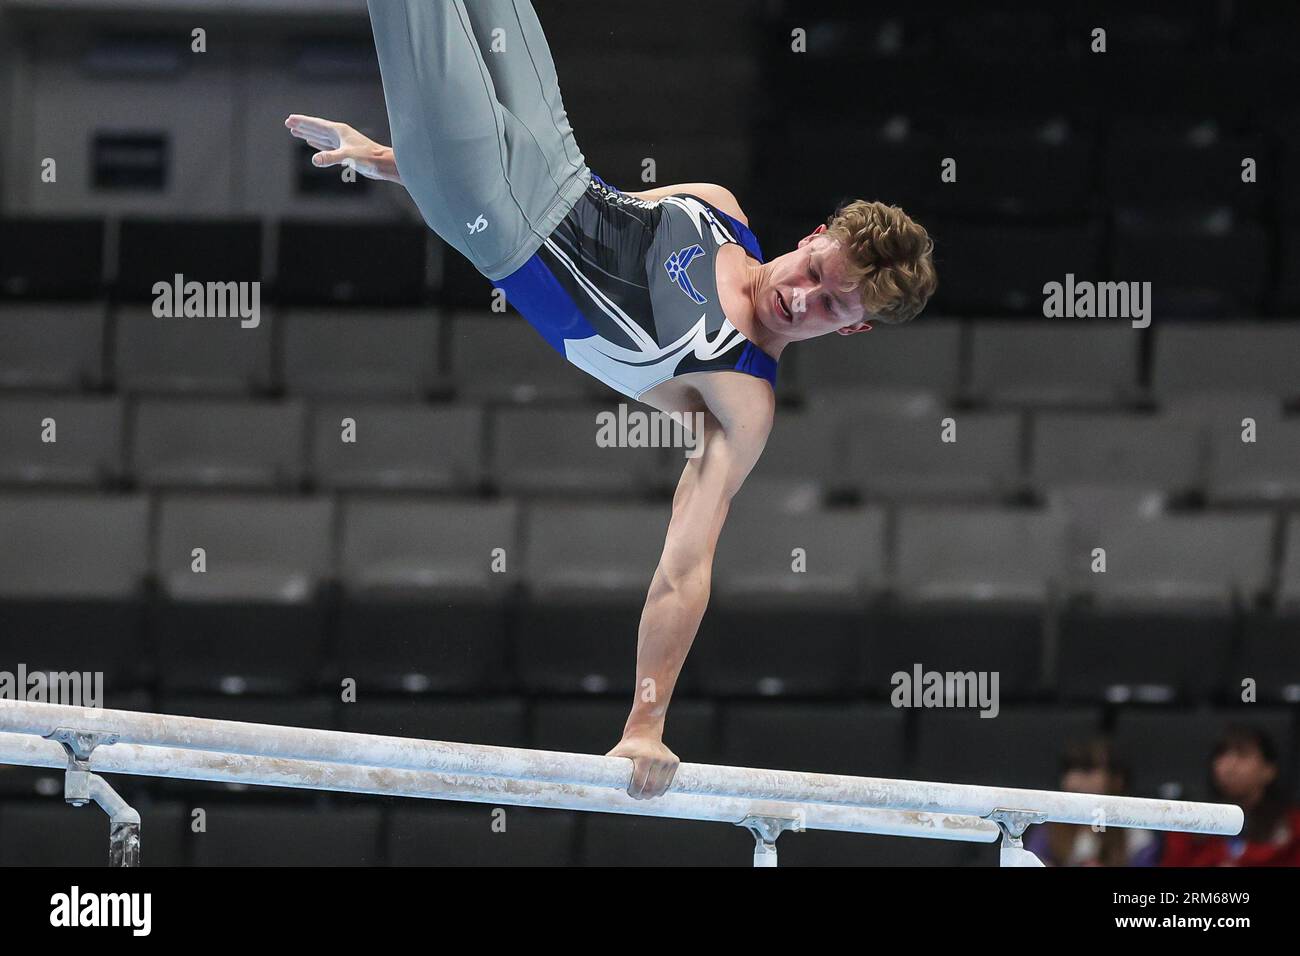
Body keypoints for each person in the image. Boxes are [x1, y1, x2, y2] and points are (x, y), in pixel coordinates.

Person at [286, 0, 937, 799]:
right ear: (812, 237)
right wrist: (388, 159)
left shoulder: (740, 399)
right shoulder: (719, 208)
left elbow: (684, 566)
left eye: (834, 307)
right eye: (815, 274)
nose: (804, 299)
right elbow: (593, 209)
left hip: (503, 224)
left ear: (853, 331)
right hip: (556, 160)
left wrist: (646, 722)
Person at [1161, 725, 1300, 866]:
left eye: (1242, 754)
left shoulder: (1293, 824)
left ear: (1269, 770)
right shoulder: (1189, 820)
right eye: (1222, 755)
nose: (1229, 765)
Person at [1024, 739, 1160, 866]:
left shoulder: (1135, 837)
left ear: (1117, 779)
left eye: (1086, 769)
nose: (1073, 779)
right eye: (1069, 770)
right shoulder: (1048, 829)